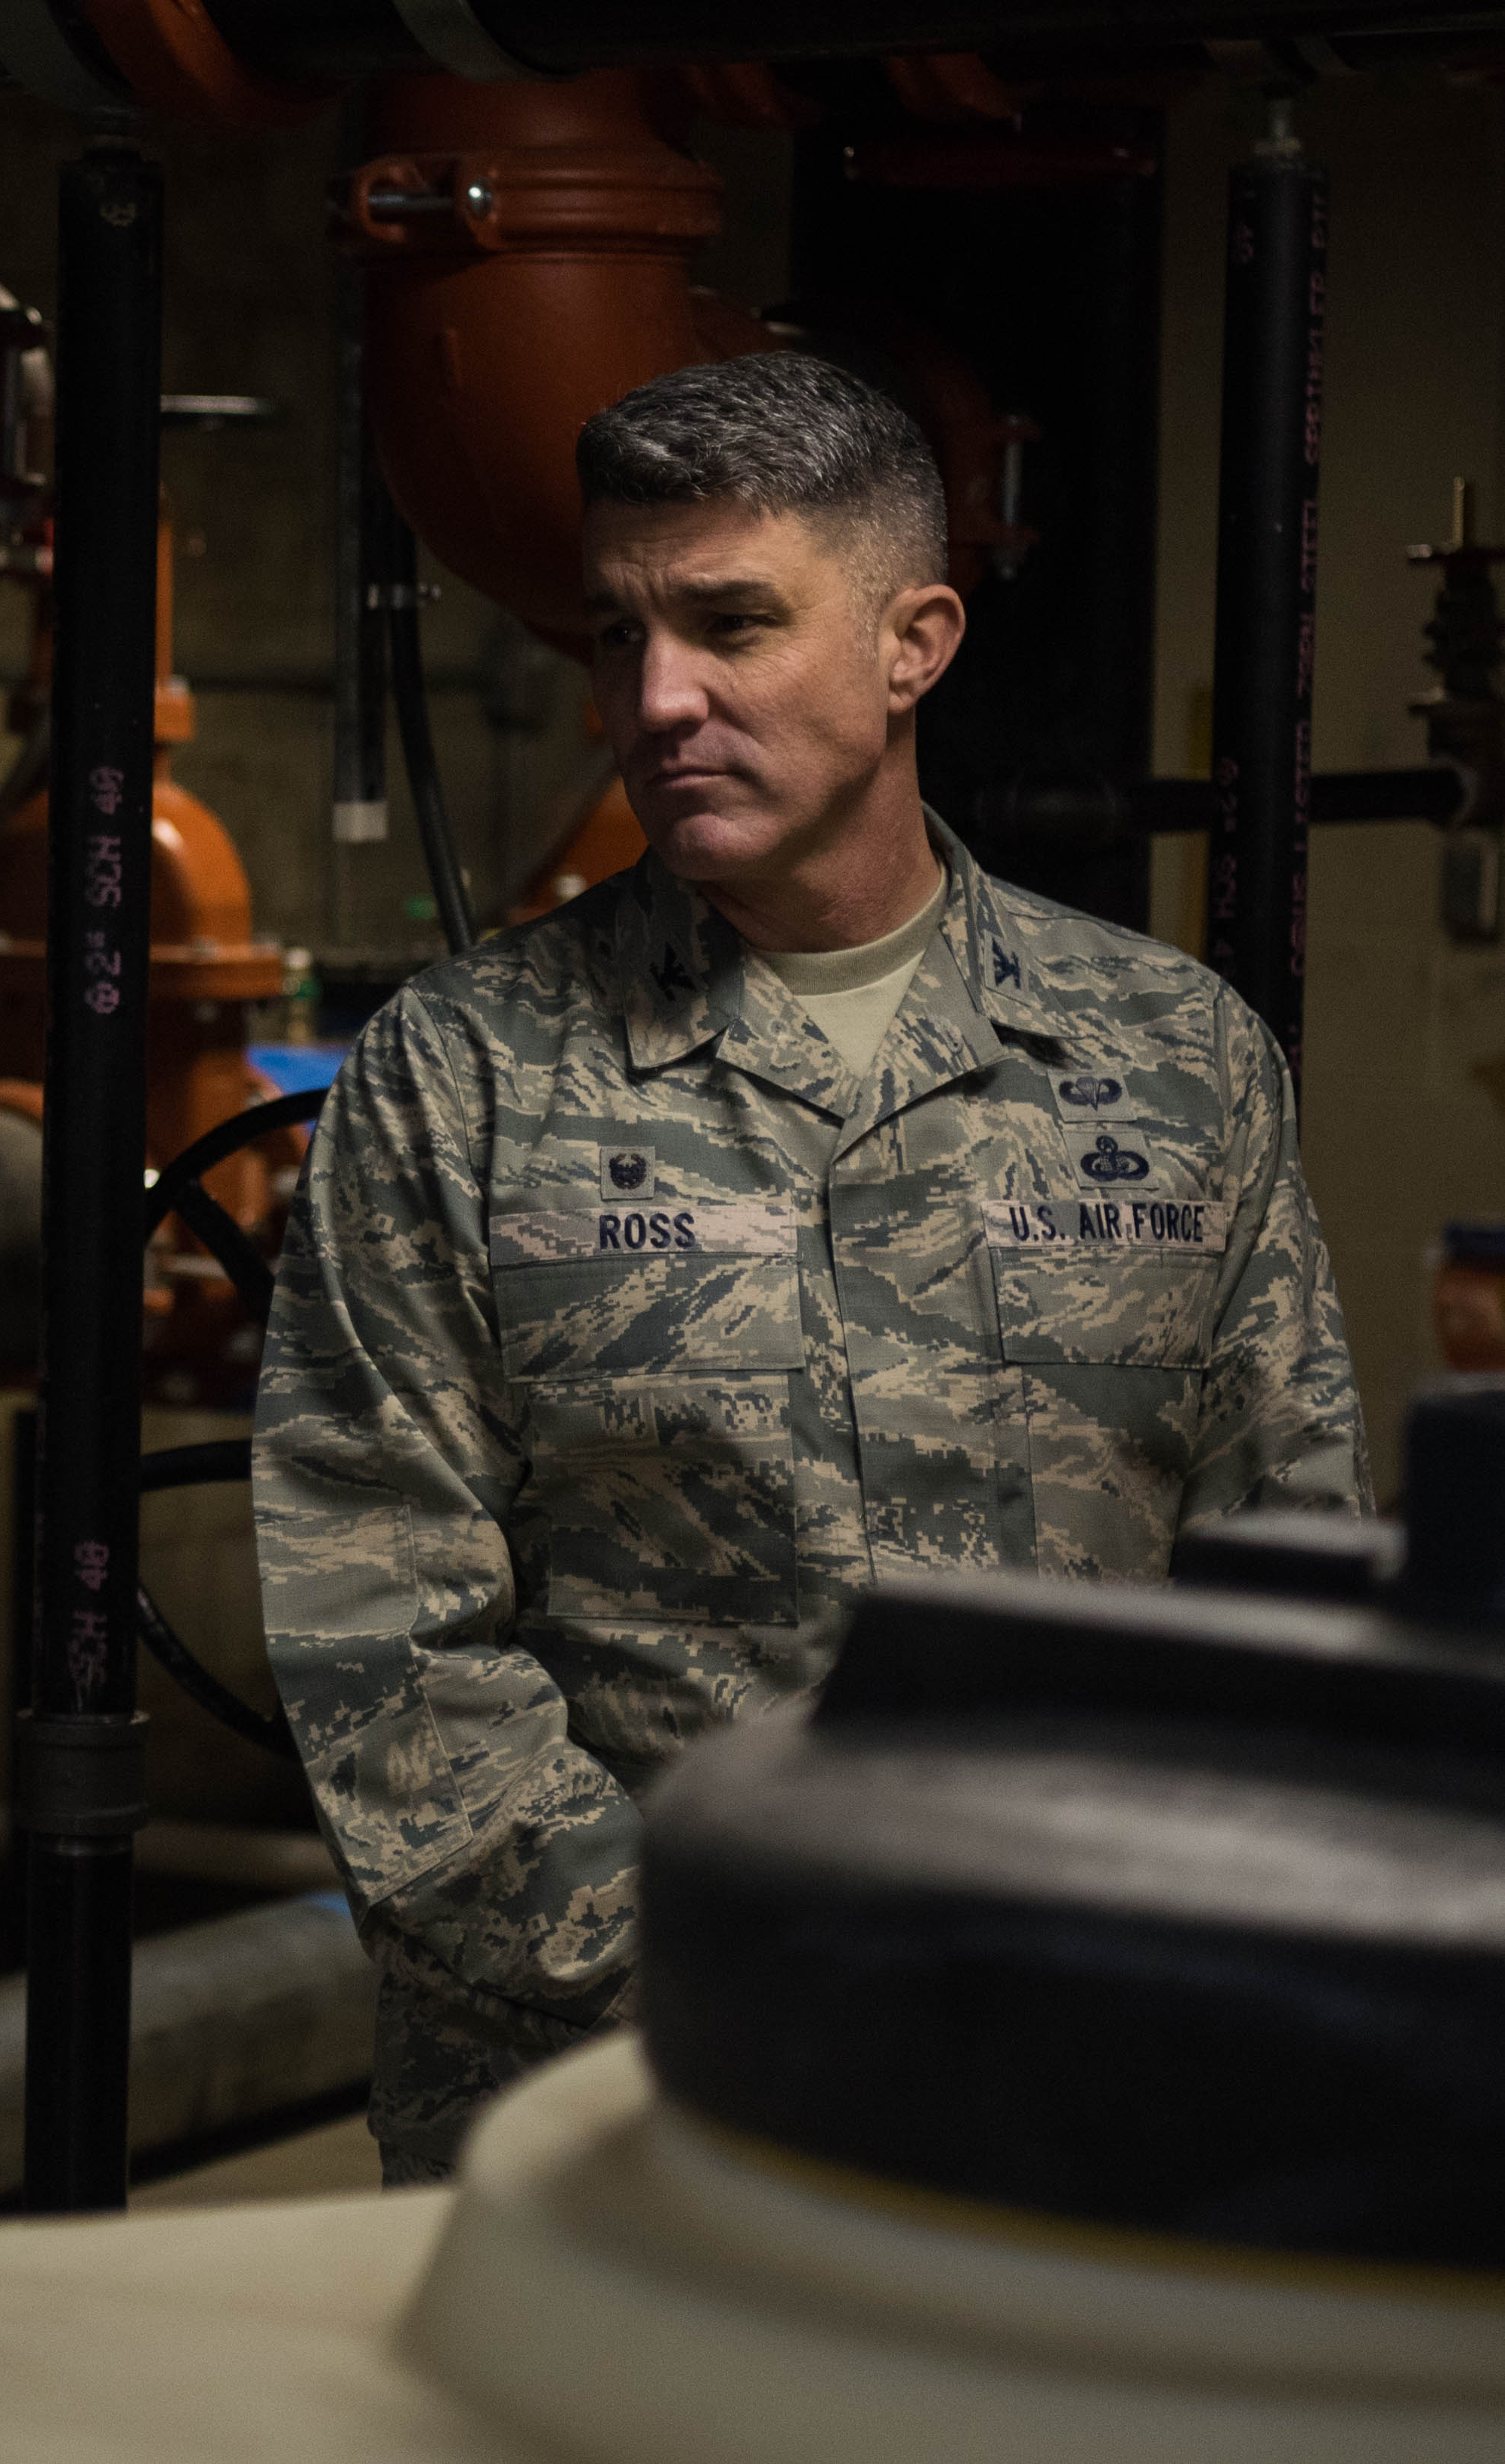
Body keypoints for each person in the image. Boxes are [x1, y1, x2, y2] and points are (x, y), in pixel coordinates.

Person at [249, 353, 1369, 2184]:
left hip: (1092, 2075)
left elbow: (1292, 1574)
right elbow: (385, 1638)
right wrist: (753, 1993)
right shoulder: (467, 1077)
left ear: (914, 639)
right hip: (614, 2112)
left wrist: (1170, 1971)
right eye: (618, 636)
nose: (658, 698)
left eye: (732, 624)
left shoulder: (1175, 1056)